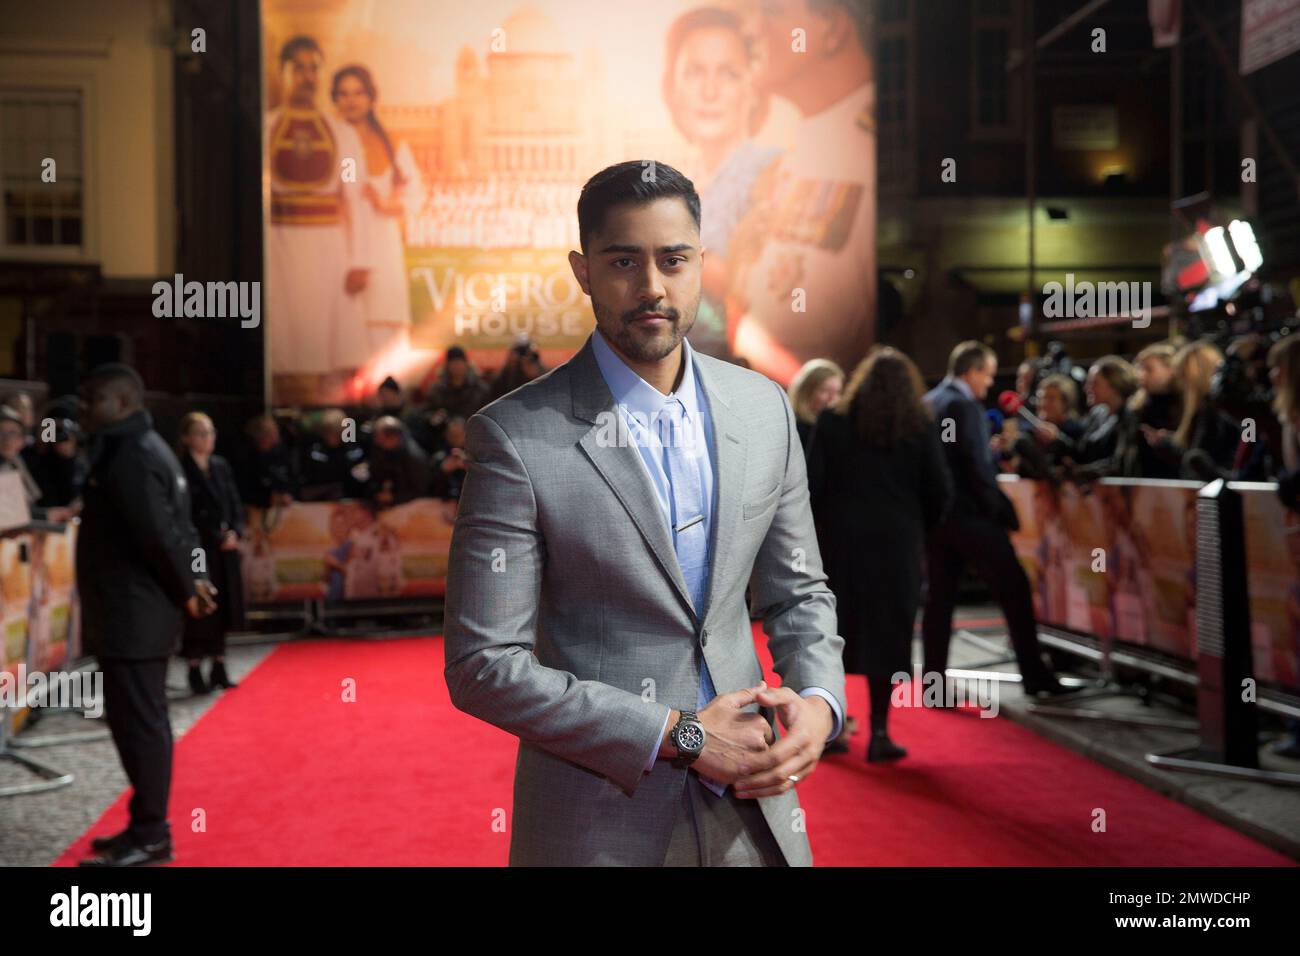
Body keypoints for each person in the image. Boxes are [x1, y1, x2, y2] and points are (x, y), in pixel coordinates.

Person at [443, 161, 845, 866]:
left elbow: (800, 591)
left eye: (673, 259)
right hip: (596, 822)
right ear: (583, 270)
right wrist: (680, 733)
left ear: (700, 266)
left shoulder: (765, 409)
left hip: (757, 813)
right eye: (624, 260)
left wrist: (818, 701)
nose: (652, 287)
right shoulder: (517, 436)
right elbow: (483, 665)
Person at [74, 364, 215, 867]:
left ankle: (152, 833)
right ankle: (143, 824)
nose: (83, 408)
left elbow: (157, 534)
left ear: (119, 401)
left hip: (134, 614)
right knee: (136, 721)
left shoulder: (130, 454)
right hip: (135, 612)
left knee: (141, 724)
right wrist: (193, 581)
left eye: (91, 399)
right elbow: (180, 528)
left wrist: (188, 588)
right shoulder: (146, 447)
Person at [806, 346, 952, 761]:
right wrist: (919, 529)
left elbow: (811, 486)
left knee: (833, 634)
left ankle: (833, 730)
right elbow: (940, 491)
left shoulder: (832, 422)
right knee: (891, 636)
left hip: (843, 544)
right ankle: (881, 733)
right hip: (898, 545)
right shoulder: (920, 426)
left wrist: (821, 531)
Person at [727, 0, 876, 383]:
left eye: (772, 11)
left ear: (831, 28)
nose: (751, 29)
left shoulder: (865, 153)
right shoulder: (803, 146)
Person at [921, 342, 1065, 697]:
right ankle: (1035, 676)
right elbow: (974, 466)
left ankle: (932, 685)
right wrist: (999, 509)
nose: (988, 383)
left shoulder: (931, 401)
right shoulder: (961, 404)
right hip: (971, 517)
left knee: (939, 600)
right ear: (971, 371)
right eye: (986, 373)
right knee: (1014, 590)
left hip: (938, 521)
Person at [662, 5, 779, 361]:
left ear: (753, 87)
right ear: (674, 87)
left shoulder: (776, 172)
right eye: (695, 72)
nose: (709, 91)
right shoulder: (674, 182)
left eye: (728, 73)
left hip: (740, 366)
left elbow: (767, 292)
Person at [265, 35, 371, 401]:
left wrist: (358, 261)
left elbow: (354, 200)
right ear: (283, 72)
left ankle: (331, 412)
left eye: (313, 68)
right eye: (299, 68)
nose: (307, 76)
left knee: (331, 343)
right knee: (283, 333)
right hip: (279, 248)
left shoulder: (341, 134)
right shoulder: (265, 129)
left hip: (329, 249)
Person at [331, 64, 424, 361]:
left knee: (386, 325)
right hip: (340, 249)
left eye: (358, 93)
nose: (351, 100)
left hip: (383, 246)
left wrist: (385, 205)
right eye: (343, 94)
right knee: (346, 330)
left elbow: (416, 196)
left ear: (371, 97)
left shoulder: (391, 143)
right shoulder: (330, 141)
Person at [176, 412, 246, 695]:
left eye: (210, 433)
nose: (207, 439)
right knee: (201, 603)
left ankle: (219, 663)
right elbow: (185, 513)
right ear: (187, 438)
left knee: (224, 602)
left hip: (225, 548)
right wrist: (214, 536)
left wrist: (235, 532)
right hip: (199, 548)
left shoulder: (220, 466)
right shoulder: (181, 469)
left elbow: (234, 503)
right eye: (201, 433)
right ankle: (194, 666)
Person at [787, 358, 844, 450]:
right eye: (825, 390)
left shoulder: (834, 428)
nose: (833, 398)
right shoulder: (793, 429)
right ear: (805, 391)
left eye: (837, 392)